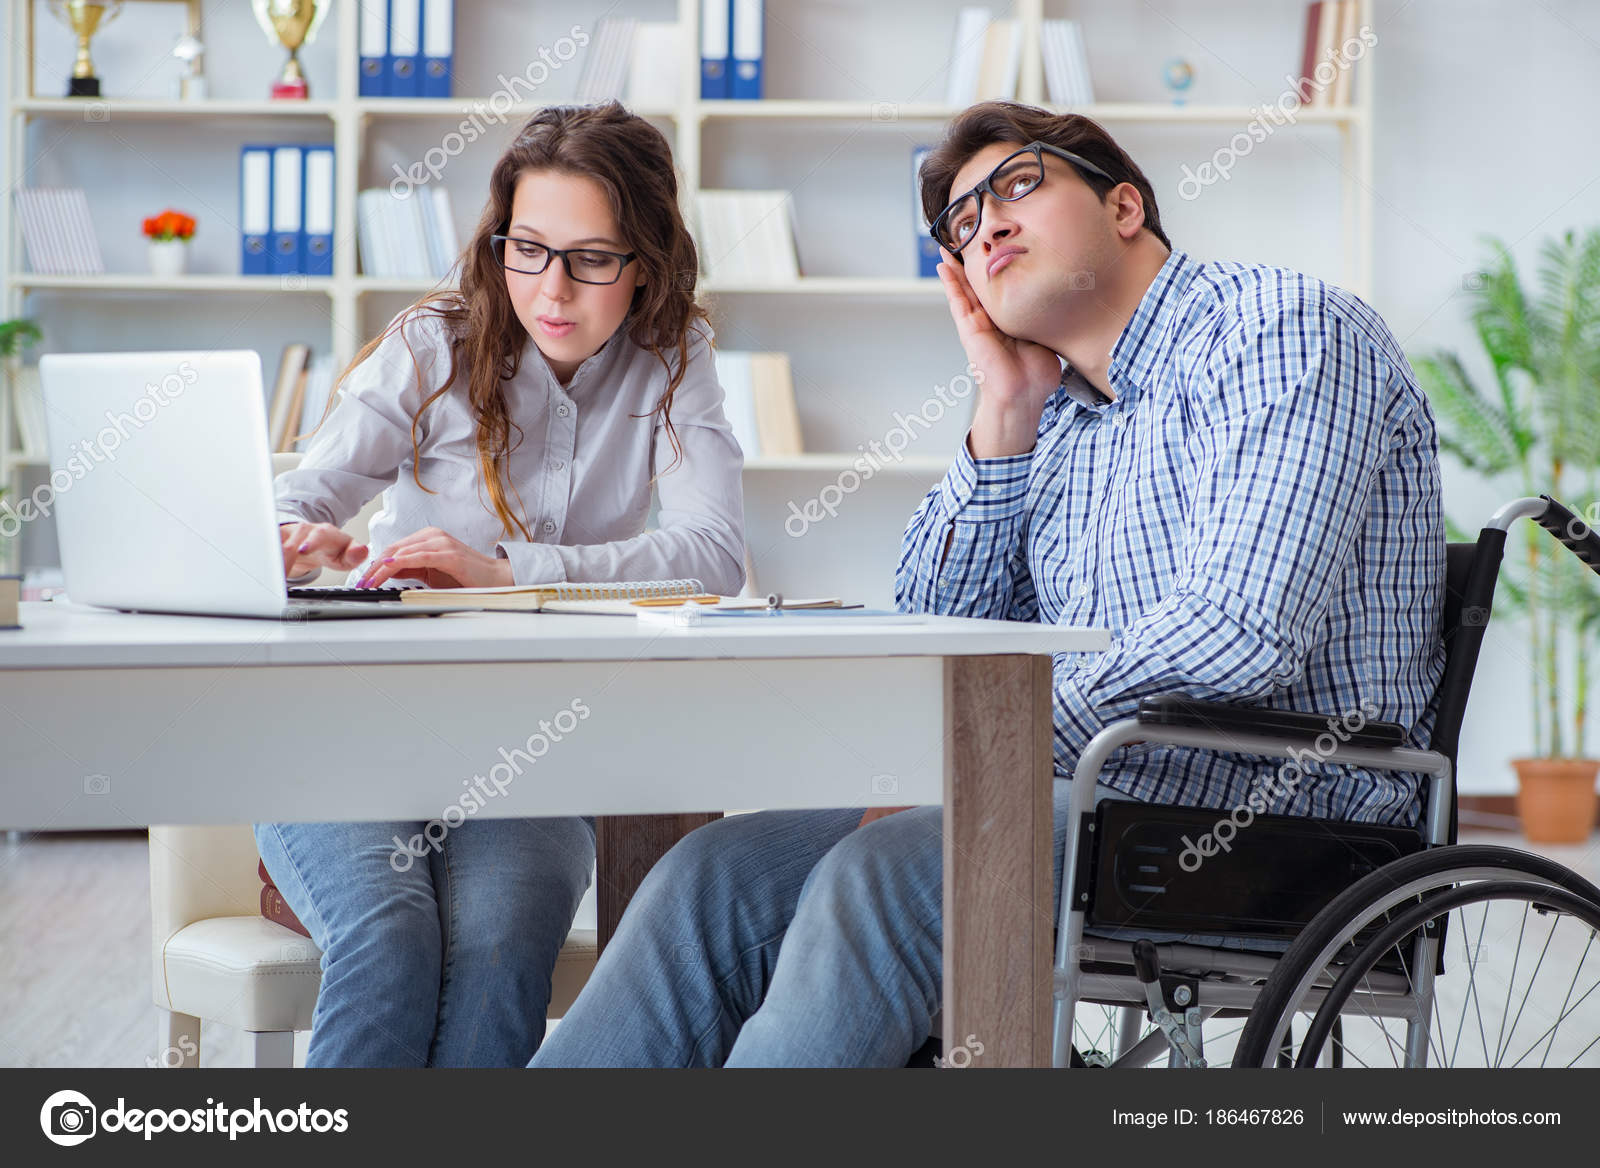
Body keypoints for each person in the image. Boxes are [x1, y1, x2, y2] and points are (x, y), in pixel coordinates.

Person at [530, 100, 1446, 1069]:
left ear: (1124, 206)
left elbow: (1240, 630)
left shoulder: (1282, 332)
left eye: (1016, 186)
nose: (985, 226)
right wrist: (1003, 413)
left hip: (1281, 816)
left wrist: (974, 753)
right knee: (711, 875)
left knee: (886, 875)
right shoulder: (1058, 415)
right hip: (1092, 792)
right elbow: (936, 626)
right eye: (959, 226)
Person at [257, 102, 745, 1067]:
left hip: (537, 752)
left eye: (592, 258)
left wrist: (511, 574)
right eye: (528, 248)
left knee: (495, 950)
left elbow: (715, 554)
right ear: (499, 240)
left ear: (644, 260)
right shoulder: (431, 343)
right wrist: (291, 536)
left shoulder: (674, 357)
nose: (551, 288)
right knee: (392, 938)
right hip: (353, 733)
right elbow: (301, 492)